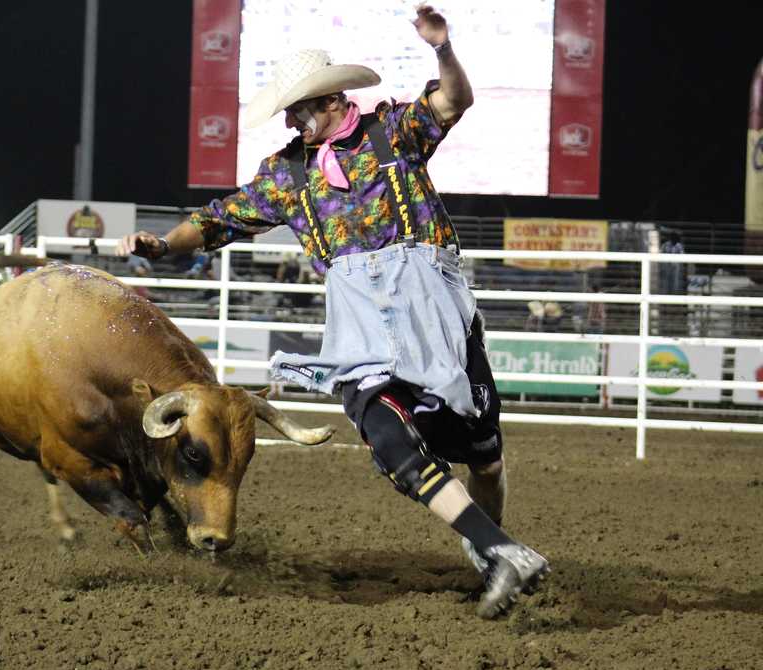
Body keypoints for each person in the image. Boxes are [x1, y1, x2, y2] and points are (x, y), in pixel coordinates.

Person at [117, 6, 547, 618]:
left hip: (433, 305)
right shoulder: (289, 173)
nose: (292, 120)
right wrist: (162, 244)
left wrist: (444, 50)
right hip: (363, 321)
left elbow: (453, 101)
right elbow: (218, 219)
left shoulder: (391, 132)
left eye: (299, 109)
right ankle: (501, 550)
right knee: (383, 431)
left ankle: (492, 553)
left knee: (483, 451)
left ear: (330, 98)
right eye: (290, 112)